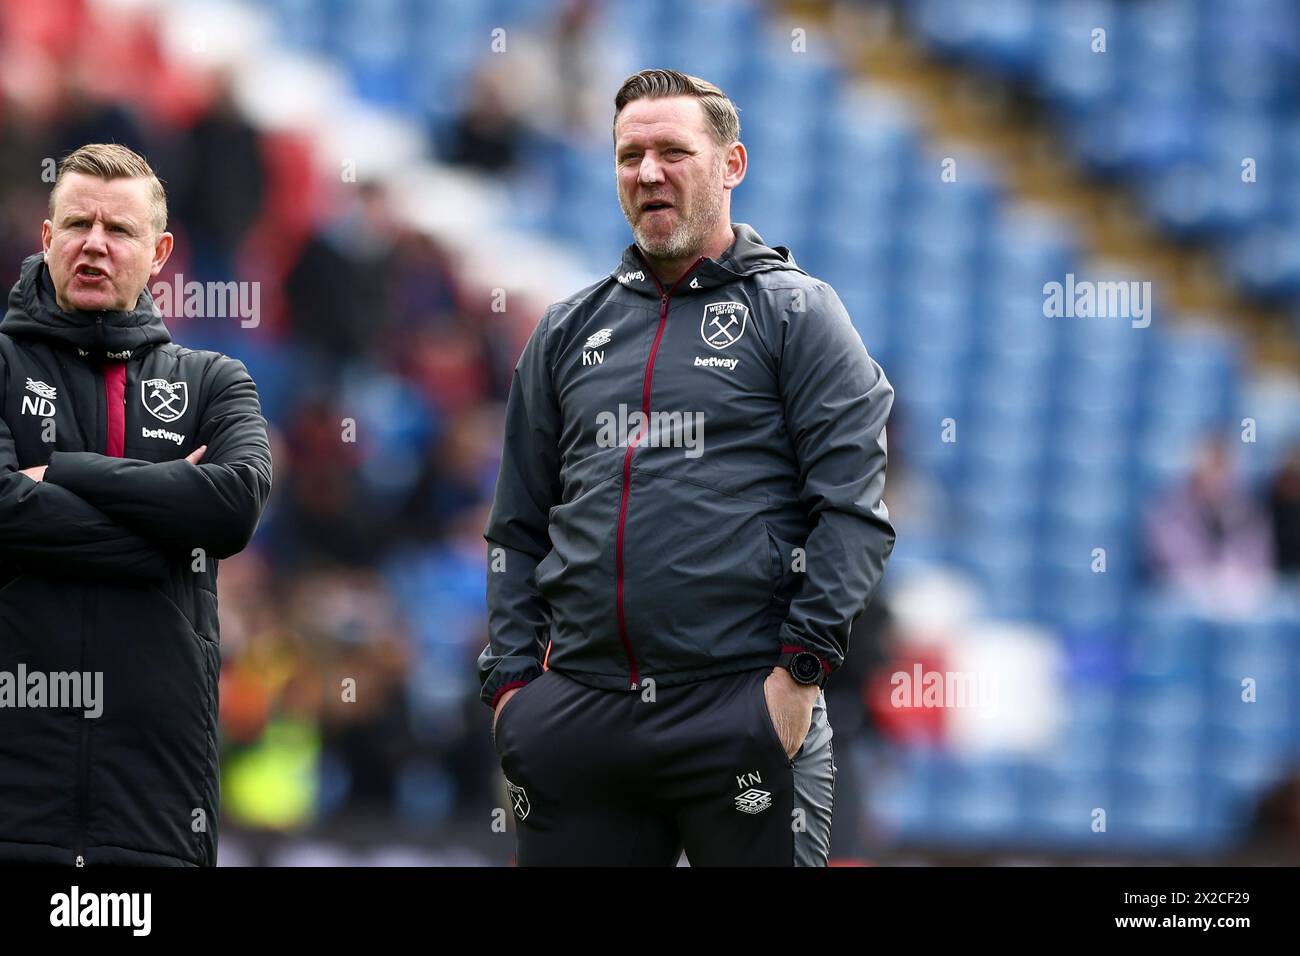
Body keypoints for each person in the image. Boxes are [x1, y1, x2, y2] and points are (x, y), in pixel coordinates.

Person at [479, 70, 895, 866]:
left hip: (740, 704)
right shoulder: (567, 331)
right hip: (578, 715)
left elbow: (853, 513)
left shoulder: (797, 314)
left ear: (732, 164)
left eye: (674, 151)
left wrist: (797, 675)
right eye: (629, 155)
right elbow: (516, 527)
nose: (648, 173)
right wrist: (511, 693)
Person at [0, 143, 273, 866]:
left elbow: (232, 506)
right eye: (78, 224)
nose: (95, 244)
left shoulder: (213, 381)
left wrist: (57, 471)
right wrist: (163, 532)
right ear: (47, 237)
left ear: (159, 252)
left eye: (119, 230)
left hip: (156, 809)